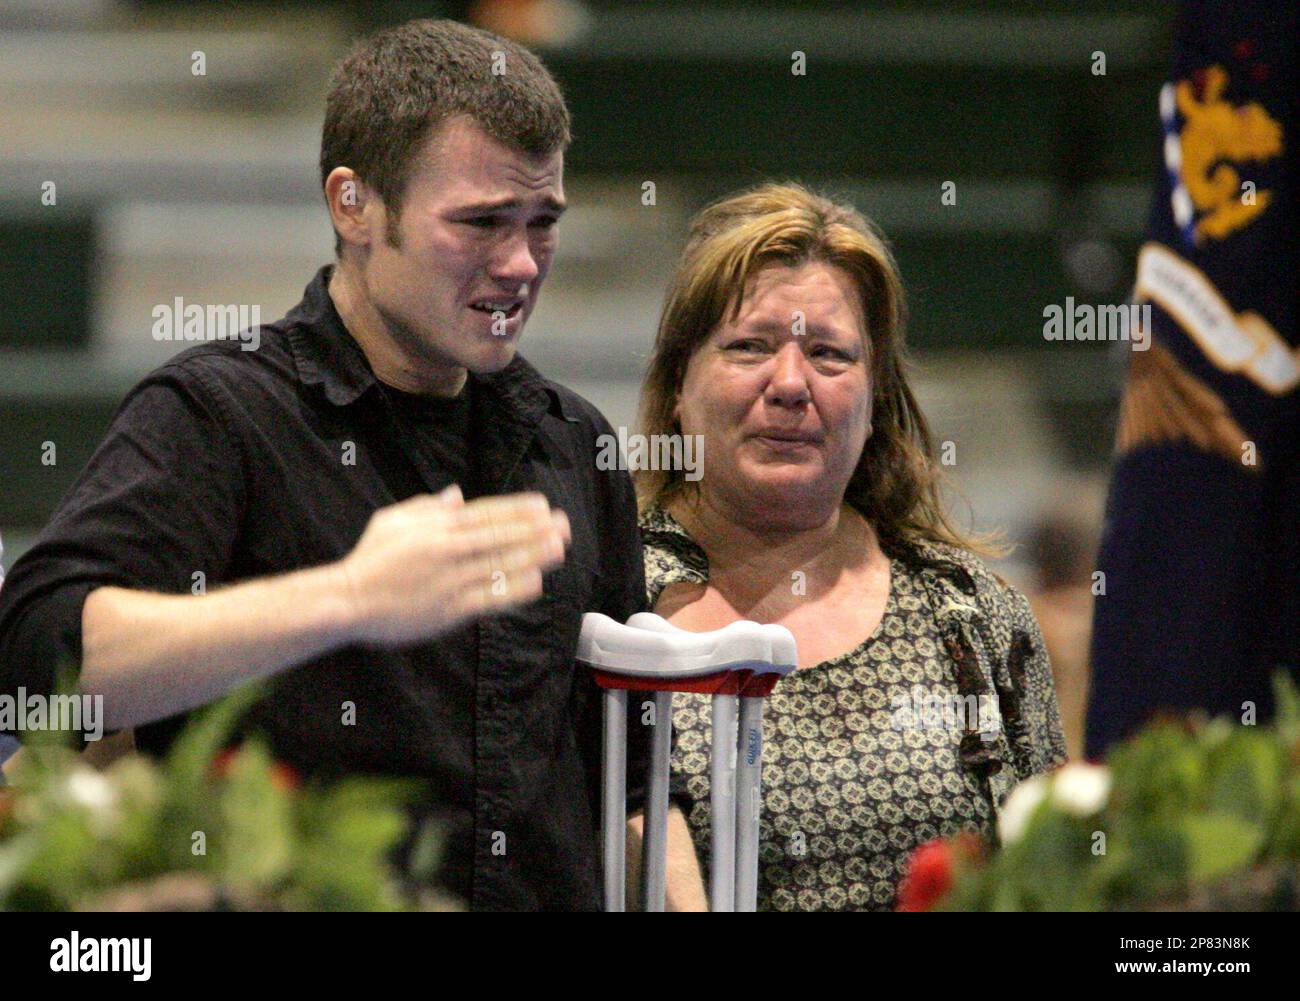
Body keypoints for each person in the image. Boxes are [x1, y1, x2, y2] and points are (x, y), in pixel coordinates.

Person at [0, 18, 651, 911]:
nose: (520, 264)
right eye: (481, 222)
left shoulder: (572, 438)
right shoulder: (220, 415)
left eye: (544, 222)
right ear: (354, 205)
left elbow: (638, 791)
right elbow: (43, 655)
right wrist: (349, 597)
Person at [634, 183, 1067, 911]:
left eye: (830, 354)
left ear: (876, 402)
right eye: (750, 346)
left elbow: (1057, 881)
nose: (791, 384)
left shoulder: (974, 617)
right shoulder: (605, 599)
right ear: (679, 383)